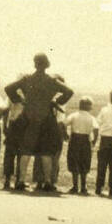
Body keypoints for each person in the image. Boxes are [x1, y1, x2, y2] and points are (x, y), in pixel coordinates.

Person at [5, 54, 74, 191]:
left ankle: (21, 180)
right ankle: (48, 181)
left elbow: (8, 88)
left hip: (28, 116)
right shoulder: (52, 81)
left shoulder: (27, 79)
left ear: (35, 64)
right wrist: (56, 101)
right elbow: (69, 91)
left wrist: (19, 99)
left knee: (25, 150)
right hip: (46, 118)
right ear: (47, 64)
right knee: (46, 151)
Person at [65, 97, 99, 193]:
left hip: (75, 139)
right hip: (85, 140)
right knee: (84, 162)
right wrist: (94, 141)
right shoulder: (91, 117)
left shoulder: (74, 115)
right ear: (89, 107)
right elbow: (96, 129)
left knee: (74, 161)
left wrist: (65, 135)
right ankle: (83, 187)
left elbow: (63, 124)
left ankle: (75, 186)